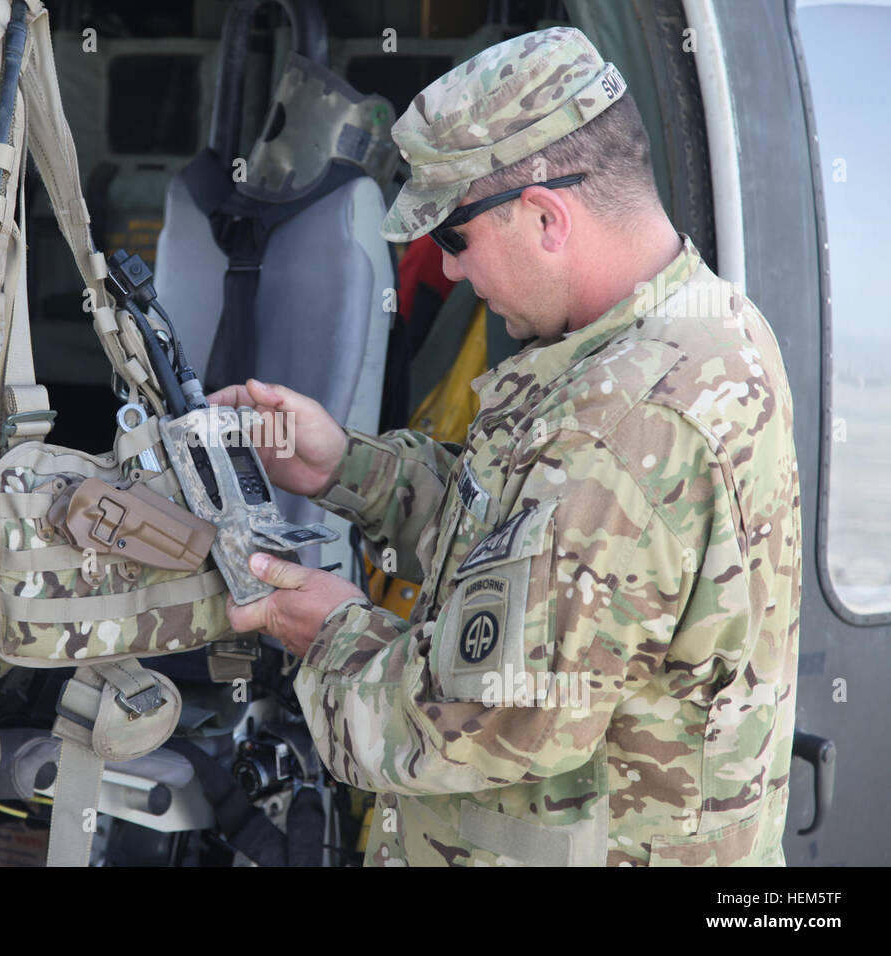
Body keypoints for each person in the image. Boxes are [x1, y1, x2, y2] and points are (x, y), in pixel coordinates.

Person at [211, 26, 801, 866]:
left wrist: (330, 629)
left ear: (546, 217)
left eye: (453, 239)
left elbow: (486, 720)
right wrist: (346, 467)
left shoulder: (628, 420)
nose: (447, 273)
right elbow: (519, 538)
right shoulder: (680, 330)